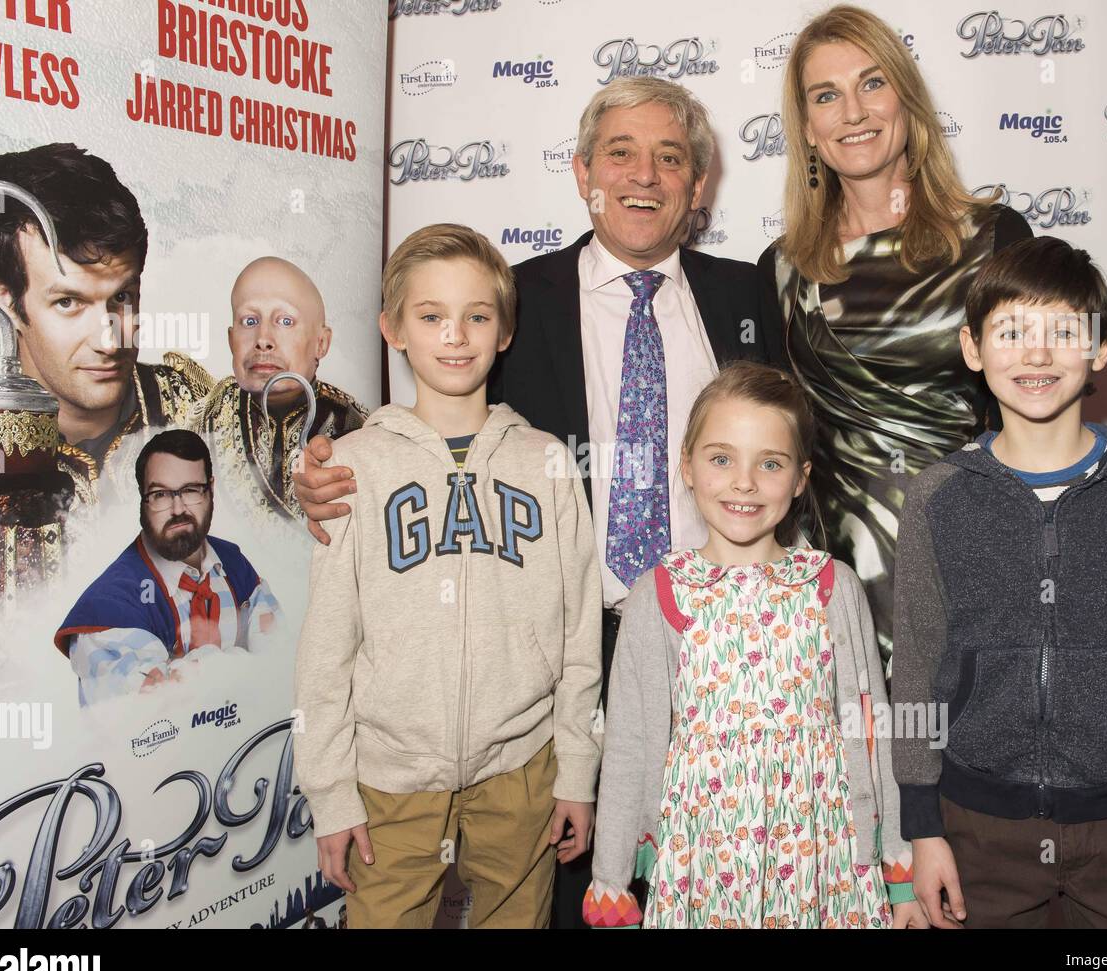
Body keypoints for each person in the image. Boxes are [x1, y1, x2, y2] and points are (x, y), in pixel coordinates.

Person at [292, 78, 779, 926]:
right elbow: (435, 436)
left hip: (719, 646)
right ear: (582, 169)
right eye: (621, 152)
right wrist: (329, 472)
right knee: (563, 895)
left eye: (672, 157)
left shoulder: (750, 297)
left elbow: (792, 452)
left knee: (720, 881)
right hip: (565, 651)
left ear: (698, 186)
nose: (646, 174)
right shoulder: (507, 298)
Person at [891, 237, 1107, 929]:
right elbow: (918, 669)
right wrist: (922, 827)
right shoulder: (937, 495)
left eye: (1063, 332)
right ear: (972, 347)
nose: (1036, 354)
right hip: (976, 829)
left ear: (1100, 349)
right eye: (1011, 331)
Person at [292, 224, 603, 929]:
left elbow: (579, 635)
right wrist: (332, 794)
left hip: (521, 770)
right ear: (393, 329)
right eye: (431, 316)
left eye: (477, 316)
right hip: (390, 781)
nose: (455, 336)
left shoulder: (547, 461)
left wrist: (577, 773)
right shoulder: (353, 466)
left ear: (505, 331)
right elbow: (325, 650)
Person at [585, 361, 922, 928]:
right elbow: (628, 744)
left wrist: (899, 870)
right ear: (687, 467)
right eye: (721, 459)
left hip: (823, 859)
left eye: (770, 464)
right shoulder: (658, 594)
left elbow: (871, 730)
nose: (744, 482)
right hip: (700, 862)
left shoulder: (832, 586)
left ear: (800, 477)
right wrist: (612, 877)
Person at [759, 5, 1034, 663]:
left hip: (981, 566)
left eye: (872, 83)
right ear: (809, 130)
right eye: (827, 95)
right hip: (838, 591)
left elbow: (1036, 423)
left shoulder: (995, 239)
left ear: (907, 101)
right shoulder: (781, 270)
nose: (852, 111)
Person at [0, 143, 213, 505]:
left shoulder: (205, 412)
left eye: (121, 297)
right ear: (6, 299)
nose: (110, 341)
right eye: (68, 302)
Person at [54, 429, 282, 706]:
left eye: (190, 490)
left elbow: (285, 661)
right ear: (143, 501)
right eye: (161, 494)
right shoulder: (108, 606)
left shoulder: (234, 565)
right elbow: (162, 708)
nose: (177, 509)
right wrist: (246, 667)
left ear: (210, 490)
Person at [189, 256, 370, 523]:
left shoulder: (356, 425)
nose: (263, 340)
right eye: (249, 321)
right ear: (231, 340)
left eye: (285, 321)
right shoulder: (203, 418)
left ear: (322, 342)